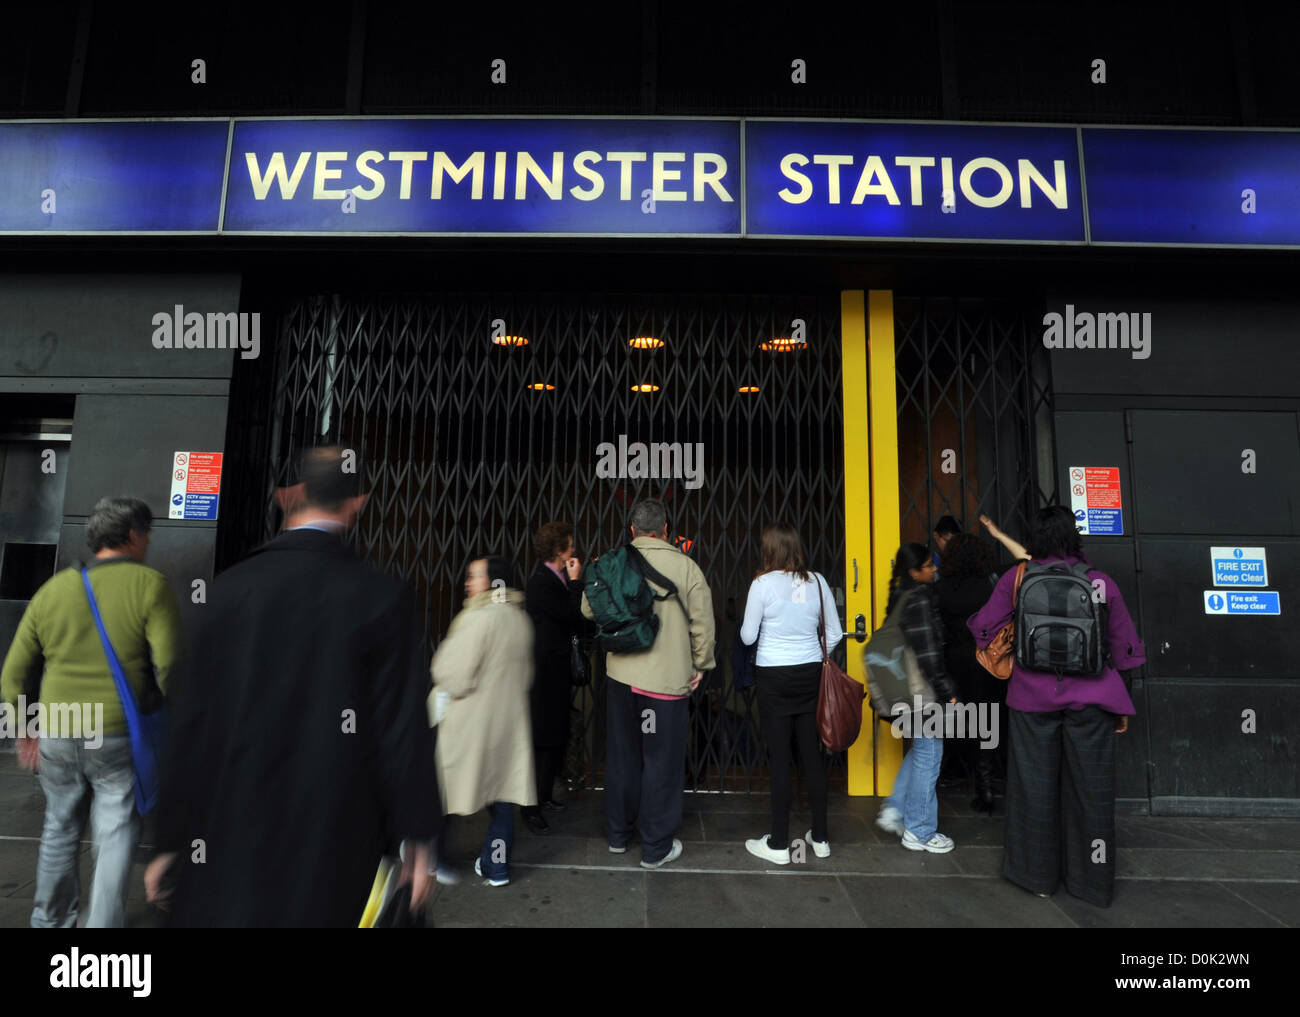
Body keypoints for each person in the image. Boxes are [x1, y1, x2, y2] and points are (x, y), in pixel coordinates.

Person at [143, 446, 439, 926]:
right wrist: (420, 837)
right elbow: (403, 729)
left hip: (228, 836)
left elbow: (191, 725)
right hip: (337, 837)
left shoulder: (225, 592)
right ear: (359, 502)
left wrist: (169, 840)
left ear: (287, 496)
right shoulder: (383, 596)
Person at [1, 496, 182, 928]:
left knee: (59, 828)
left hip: (58, 731)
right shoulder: (150, 585)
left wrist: (25, 728)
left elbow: (11, 676)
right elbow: (171, 664)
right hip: (115, 730)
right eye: (148, 533)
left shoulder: (54, 590)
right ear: (135, 535)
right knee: (115, 829)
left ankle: (49, 921)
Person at [968, 505, 1144, 907]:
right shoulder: (1099, 583)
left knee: (1034, 788)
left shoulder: (1017, 579)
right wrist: (1122, 704)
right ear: (1073, 537)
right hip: (1095, 701)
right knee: (1091, 793)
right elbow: (1125, 650)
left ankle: (1036, 877)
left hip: (1031, 701)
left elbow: (982, 630)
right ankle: (1091, 884)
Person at [581, 499, 715, 868]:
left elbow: (587, 609)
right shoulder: (687, 568)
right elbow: (703, 623)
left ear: (632, 531)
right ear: (666, 531)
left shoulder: (612, 561)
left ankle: (618, 836)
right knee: (661, 762)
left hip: (622, 678)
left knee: (623, 757)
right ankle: (655, 847)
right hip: (665, 685)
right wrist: (701, 664)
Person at [430, 556, 536, 886]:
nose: (468, 582)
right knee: (503, 799)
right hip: (508, 725)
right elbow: (527, 675)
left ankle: (432, 858)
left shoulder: (479, 619)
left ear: (493, 582)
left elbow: (452, 674)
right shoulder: (521, 620)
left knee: (444, 793)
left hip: (471, 725)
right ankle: (497, 867)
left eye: (474, 576)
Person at [739, 523, 841, 864]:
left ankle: (780, 843)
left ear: (769, 549)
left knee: (780, 756)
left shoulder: (761, 584)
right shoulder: (817, 581)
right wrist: (810, 647)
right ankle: (821, 838)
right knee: (811, 755)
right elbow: (836, 633)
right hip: (810, 673)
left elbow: (748, 636)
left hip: (773, 676)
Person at [874, 542, 959, 853]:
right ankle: (919, 831)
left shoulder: (899, 595)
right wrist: (947, 693)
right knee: (930, 754)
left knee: (922, 750)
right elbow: (928, 653)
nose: (934, 568)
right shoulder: (919, 599)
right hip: (921, 694)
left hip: (902, 692)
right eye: (928, 565)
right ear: (914, 572)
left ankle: (896, 806)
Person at [521, 521, 585, 835]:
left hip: (556, 672)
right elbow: (572, 615)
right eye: (570, 546)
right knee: (541, 740)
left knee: (554, 737)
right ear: (559, 550)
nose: (574, 550)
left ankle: (544, 796)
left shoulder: (554, 577)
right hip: (543, 674)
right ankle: (529, 806)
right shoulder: (541, 582)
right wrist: (575, 582)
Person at [934, 532, 1002, 813]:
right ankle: (985, 788)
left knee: (951, 719)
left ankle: (946, 773)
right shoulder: (991, 585)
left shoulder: (942, 587)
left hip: (952, 660)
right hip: (986, 661)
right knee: (986, 721)